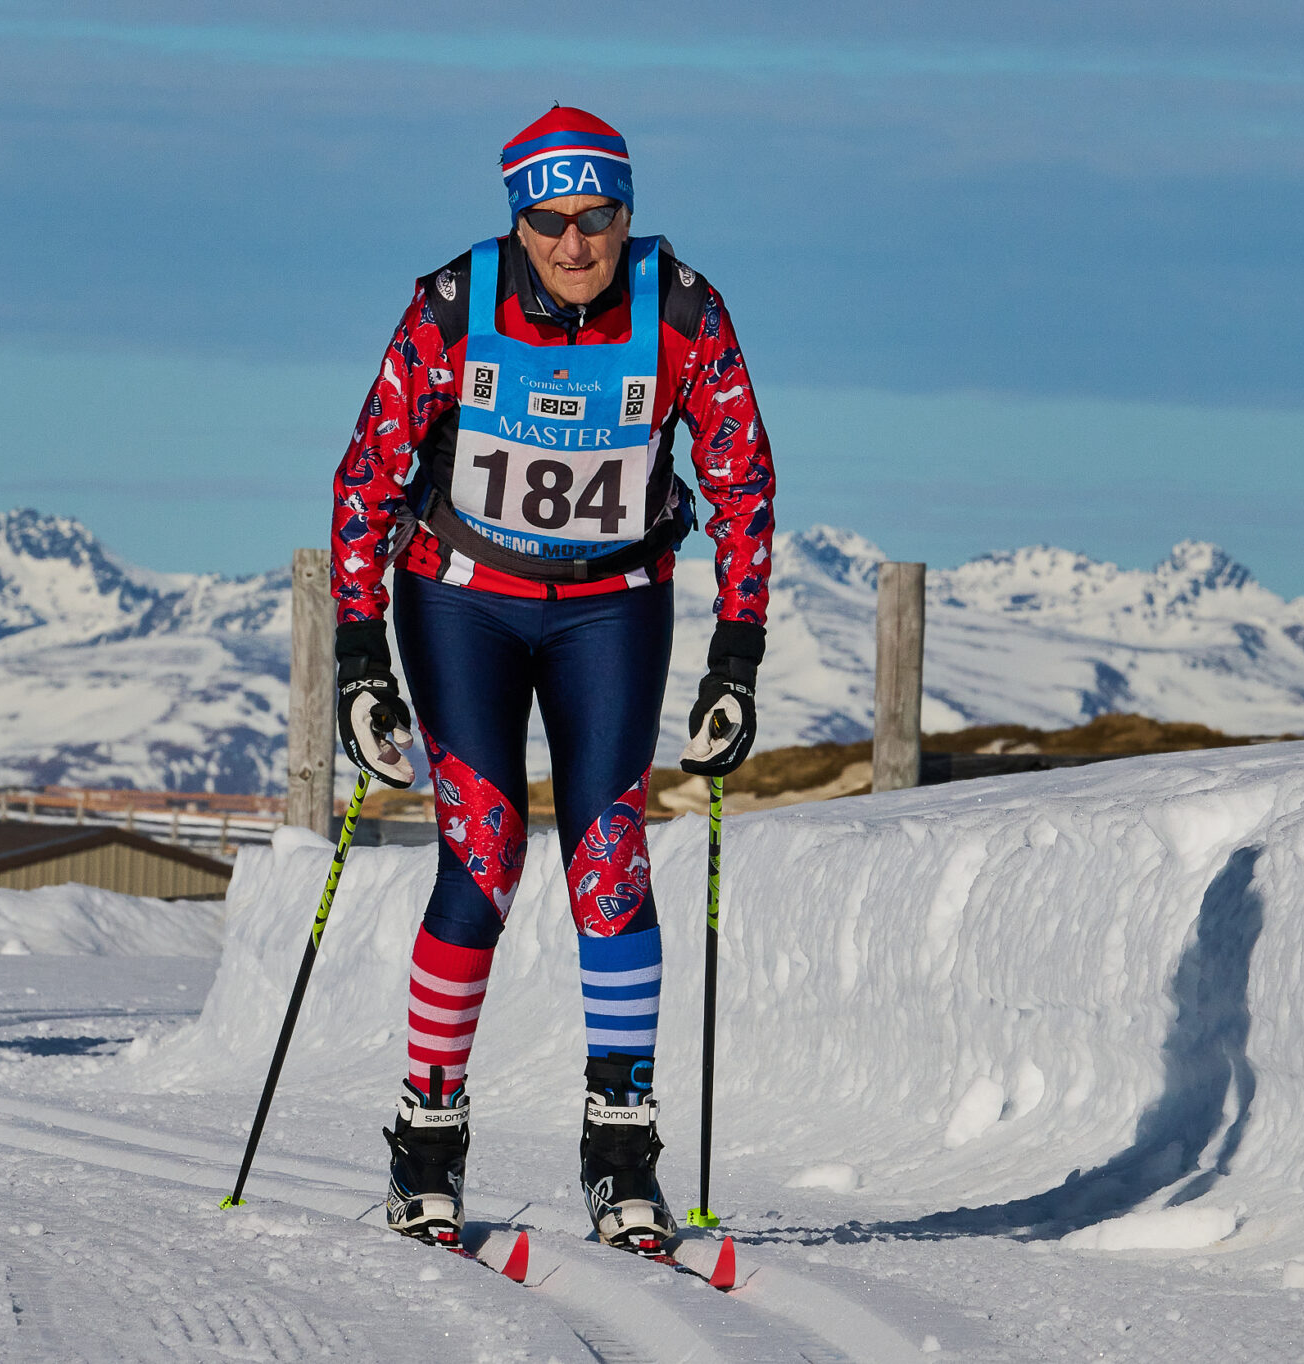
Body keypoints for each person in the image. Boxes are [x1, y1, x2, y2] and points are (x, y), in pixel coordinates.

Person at [328, 106, 775, 1254]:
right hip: (462, 596)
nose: (576, 245)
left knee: (609, 857)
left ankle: (620, 1148)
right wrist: (358, 654)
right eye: (550, 221)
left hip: (611, 607)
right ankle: (427, 1138)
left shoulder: (682, 312)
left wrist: (737, 655)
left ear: (627, 215)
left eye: (599, 219)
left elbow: (740, 477)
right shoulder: (450, 307)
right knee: (483, 854)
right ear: (516, 219)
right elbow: (368, 475)